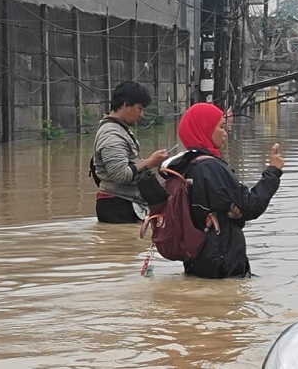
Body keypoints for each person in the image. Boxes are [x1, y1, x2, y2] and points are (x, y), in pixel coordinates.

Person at [168, 102, 283, 279]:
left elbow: (212, 208)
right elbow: (251, 206)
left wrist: (235, 213)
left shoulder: (184, 165)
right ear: (205, 128)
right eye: (221, 127)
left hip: (197, 259)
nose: (225, 132)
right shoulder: (211, 167)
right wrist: (273, 172)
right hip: (223, 261)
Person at [92, 81, 170, 224]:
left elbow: (129, 166)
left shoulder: (119, 129)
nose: (141, 114)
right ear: (125, 105)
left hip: (123, 204)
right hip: (118, 206)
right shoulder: (111, 135)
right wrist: (151, 162)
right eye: (139, 108)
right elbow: (121, 175)